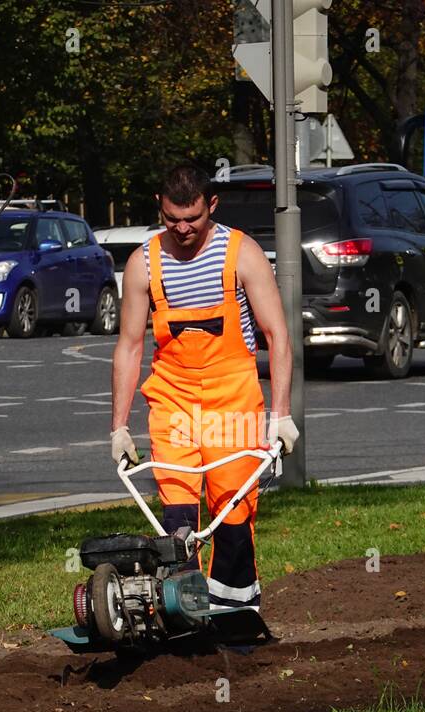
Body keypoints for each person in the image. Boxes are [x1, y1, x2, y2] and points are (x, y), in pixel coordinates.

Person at [110, 163, 296, 611]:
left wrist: (281, 414)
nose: (183, 228)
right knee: (175, 512)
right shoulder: (144, 263)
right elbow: (130, 346)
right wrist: (118, 426)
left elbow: (278, 335)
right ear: (161, 208)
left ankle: (234, 612)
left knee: (233, 508)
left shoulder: (241, 254)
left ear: (211, 205)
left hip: (232, 397)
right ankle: (184, 611)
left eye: (192, 218)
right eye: (172, 218)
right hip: (173, 400)